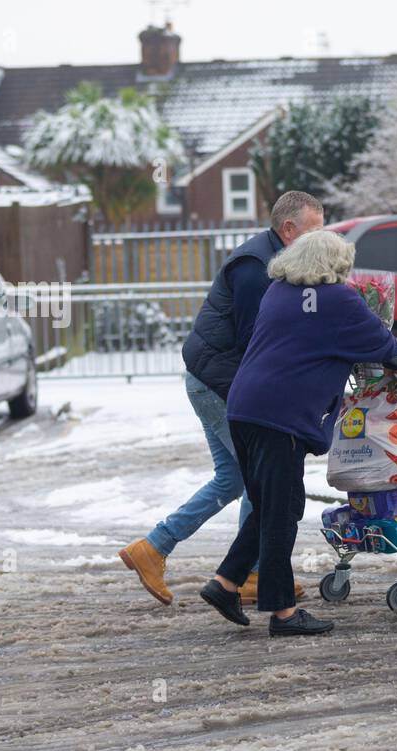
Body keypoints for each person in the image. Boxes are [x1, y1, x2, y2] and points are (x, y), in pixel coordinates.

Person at [119, 191, 325, 606]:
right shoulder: (256, 269)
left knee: (232, 479)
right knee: (260, 477)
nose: (320, 242)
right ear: (289, 230)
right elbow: (258, 343)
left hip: (214, 378)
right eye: (314, 233)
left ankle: (154, 547)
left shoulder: (275, 261)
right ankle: (251, 574)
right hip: (219, 382)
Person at [200, 230, 397, 635]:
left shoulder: (277, 292)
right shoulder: (338, 299)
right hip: (281, 415)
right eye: (343, 266)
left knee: (274, 506)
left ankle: (224, 583)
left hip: (245, 407)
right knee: (279, 514)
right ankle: (283, 613)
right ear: (333, 265)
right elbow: (379, 341)